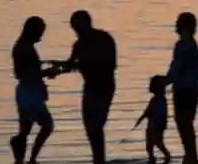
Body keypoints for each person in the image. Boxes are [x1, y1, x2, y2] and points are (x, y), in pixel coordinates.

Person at [61, 10, 118, 164]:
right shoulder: (106, 37)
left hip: (97, 87)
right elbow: (71, 64)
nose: (75, 32)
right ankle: (98, 159)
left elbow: (71, 65)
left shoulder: (81, 44)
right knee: (95, 126)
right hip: (105, 86)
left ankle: (98, 159)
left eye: (76, 28)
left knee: (93, 126)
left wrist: (76, 65)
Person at [10, 16, 61, 164]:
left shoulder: (23, 46)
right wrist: (47, 72)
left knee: (26, 130)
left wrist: (45, 70)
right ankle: (30, 159)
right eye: (40, 32)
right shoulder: (25, 48)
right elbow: (23, 73)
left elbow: (27, 70)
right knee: (47, 125)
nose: (41, 35)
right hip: (30, 94)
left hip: (27, 93)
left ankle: (21, 159)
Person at [166, 12, 198, 164]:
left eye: (178, 23)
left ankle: (190, 156)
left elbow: (177, 67)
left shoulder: (182, 45)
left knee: (183, 123)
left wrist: (166, 81)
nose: (176, 25)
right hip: (193, 87)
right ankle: (191, 155)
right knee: (186, 123)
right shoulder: (192, 44)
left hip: (184, 89)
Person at [134, 75, 172, 163]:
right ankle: (154, 158)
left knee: (155, 143)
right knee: (154, 143)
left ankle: (163, 157)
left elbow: (147, 112)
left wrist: (140, 119)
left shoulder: (156, 100)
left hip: (155, 125)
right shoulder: (160, 99)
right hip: (156, 124)